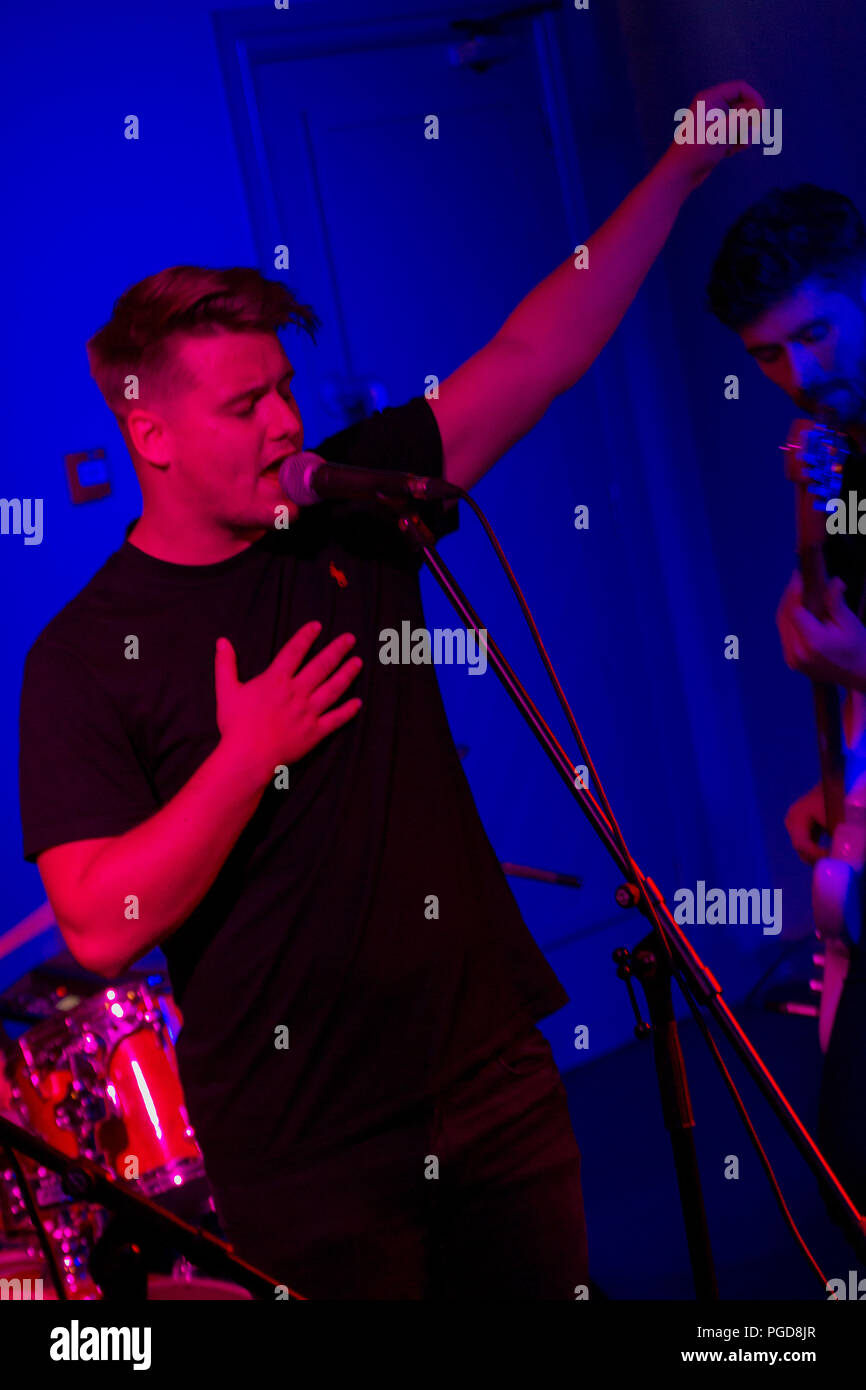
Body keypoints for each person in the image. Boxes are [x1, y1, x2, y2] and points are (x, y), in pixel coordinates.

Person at [18, 80, 760, 1300]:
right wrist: (244, 753)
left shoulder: (349, 515)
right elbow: (100, 921)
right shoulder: (83, 656)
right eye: (243, 403)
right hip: (310, 1148)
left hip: (488, 1075)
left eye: (284, 390)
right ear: (149, 435)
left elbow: (538, 351)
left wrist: (677, 166)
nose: (284, 422)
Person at [707, 184, 866, 1215]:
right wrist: (846, 783)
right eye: (766, 354)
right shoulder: (840, 448)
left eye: (812, 334)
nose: (795, 376)